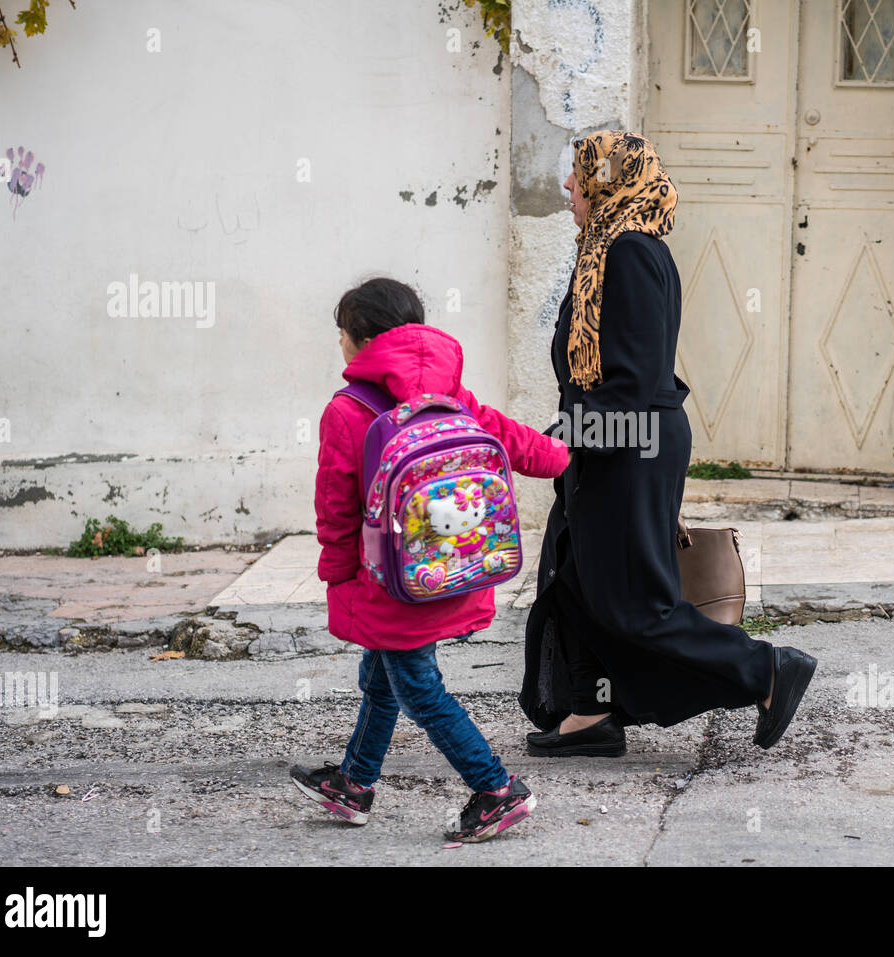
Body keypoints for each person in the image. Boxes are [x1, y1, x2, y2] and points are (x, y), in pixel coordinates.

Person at [519, 130, 817, 755]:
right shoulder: (605, 250)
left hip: (626, 447)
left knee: (637, 604)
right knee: (577, 579)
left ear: (609, 181)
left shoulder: (628, 252)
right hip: (613, 445)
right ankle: (590, 710)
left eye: (580, 174)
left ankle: (764, 670)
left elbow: (631, 381)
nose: (570, 185)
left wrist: (565, 437)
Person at [290, 277, 570, 842]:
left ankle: (495, 790)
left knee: (417, 685)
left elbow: (336, 506)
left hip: (387, 581)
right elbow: (511, 440)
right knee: (382, 675)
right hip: (454, 568)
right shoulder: (449, 394)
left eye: (341, 333)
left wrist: (337, 574)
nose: (340, 344)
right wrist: (562, 455)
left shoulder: (347, 410)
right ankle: (354, 783)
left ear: (360, 341)